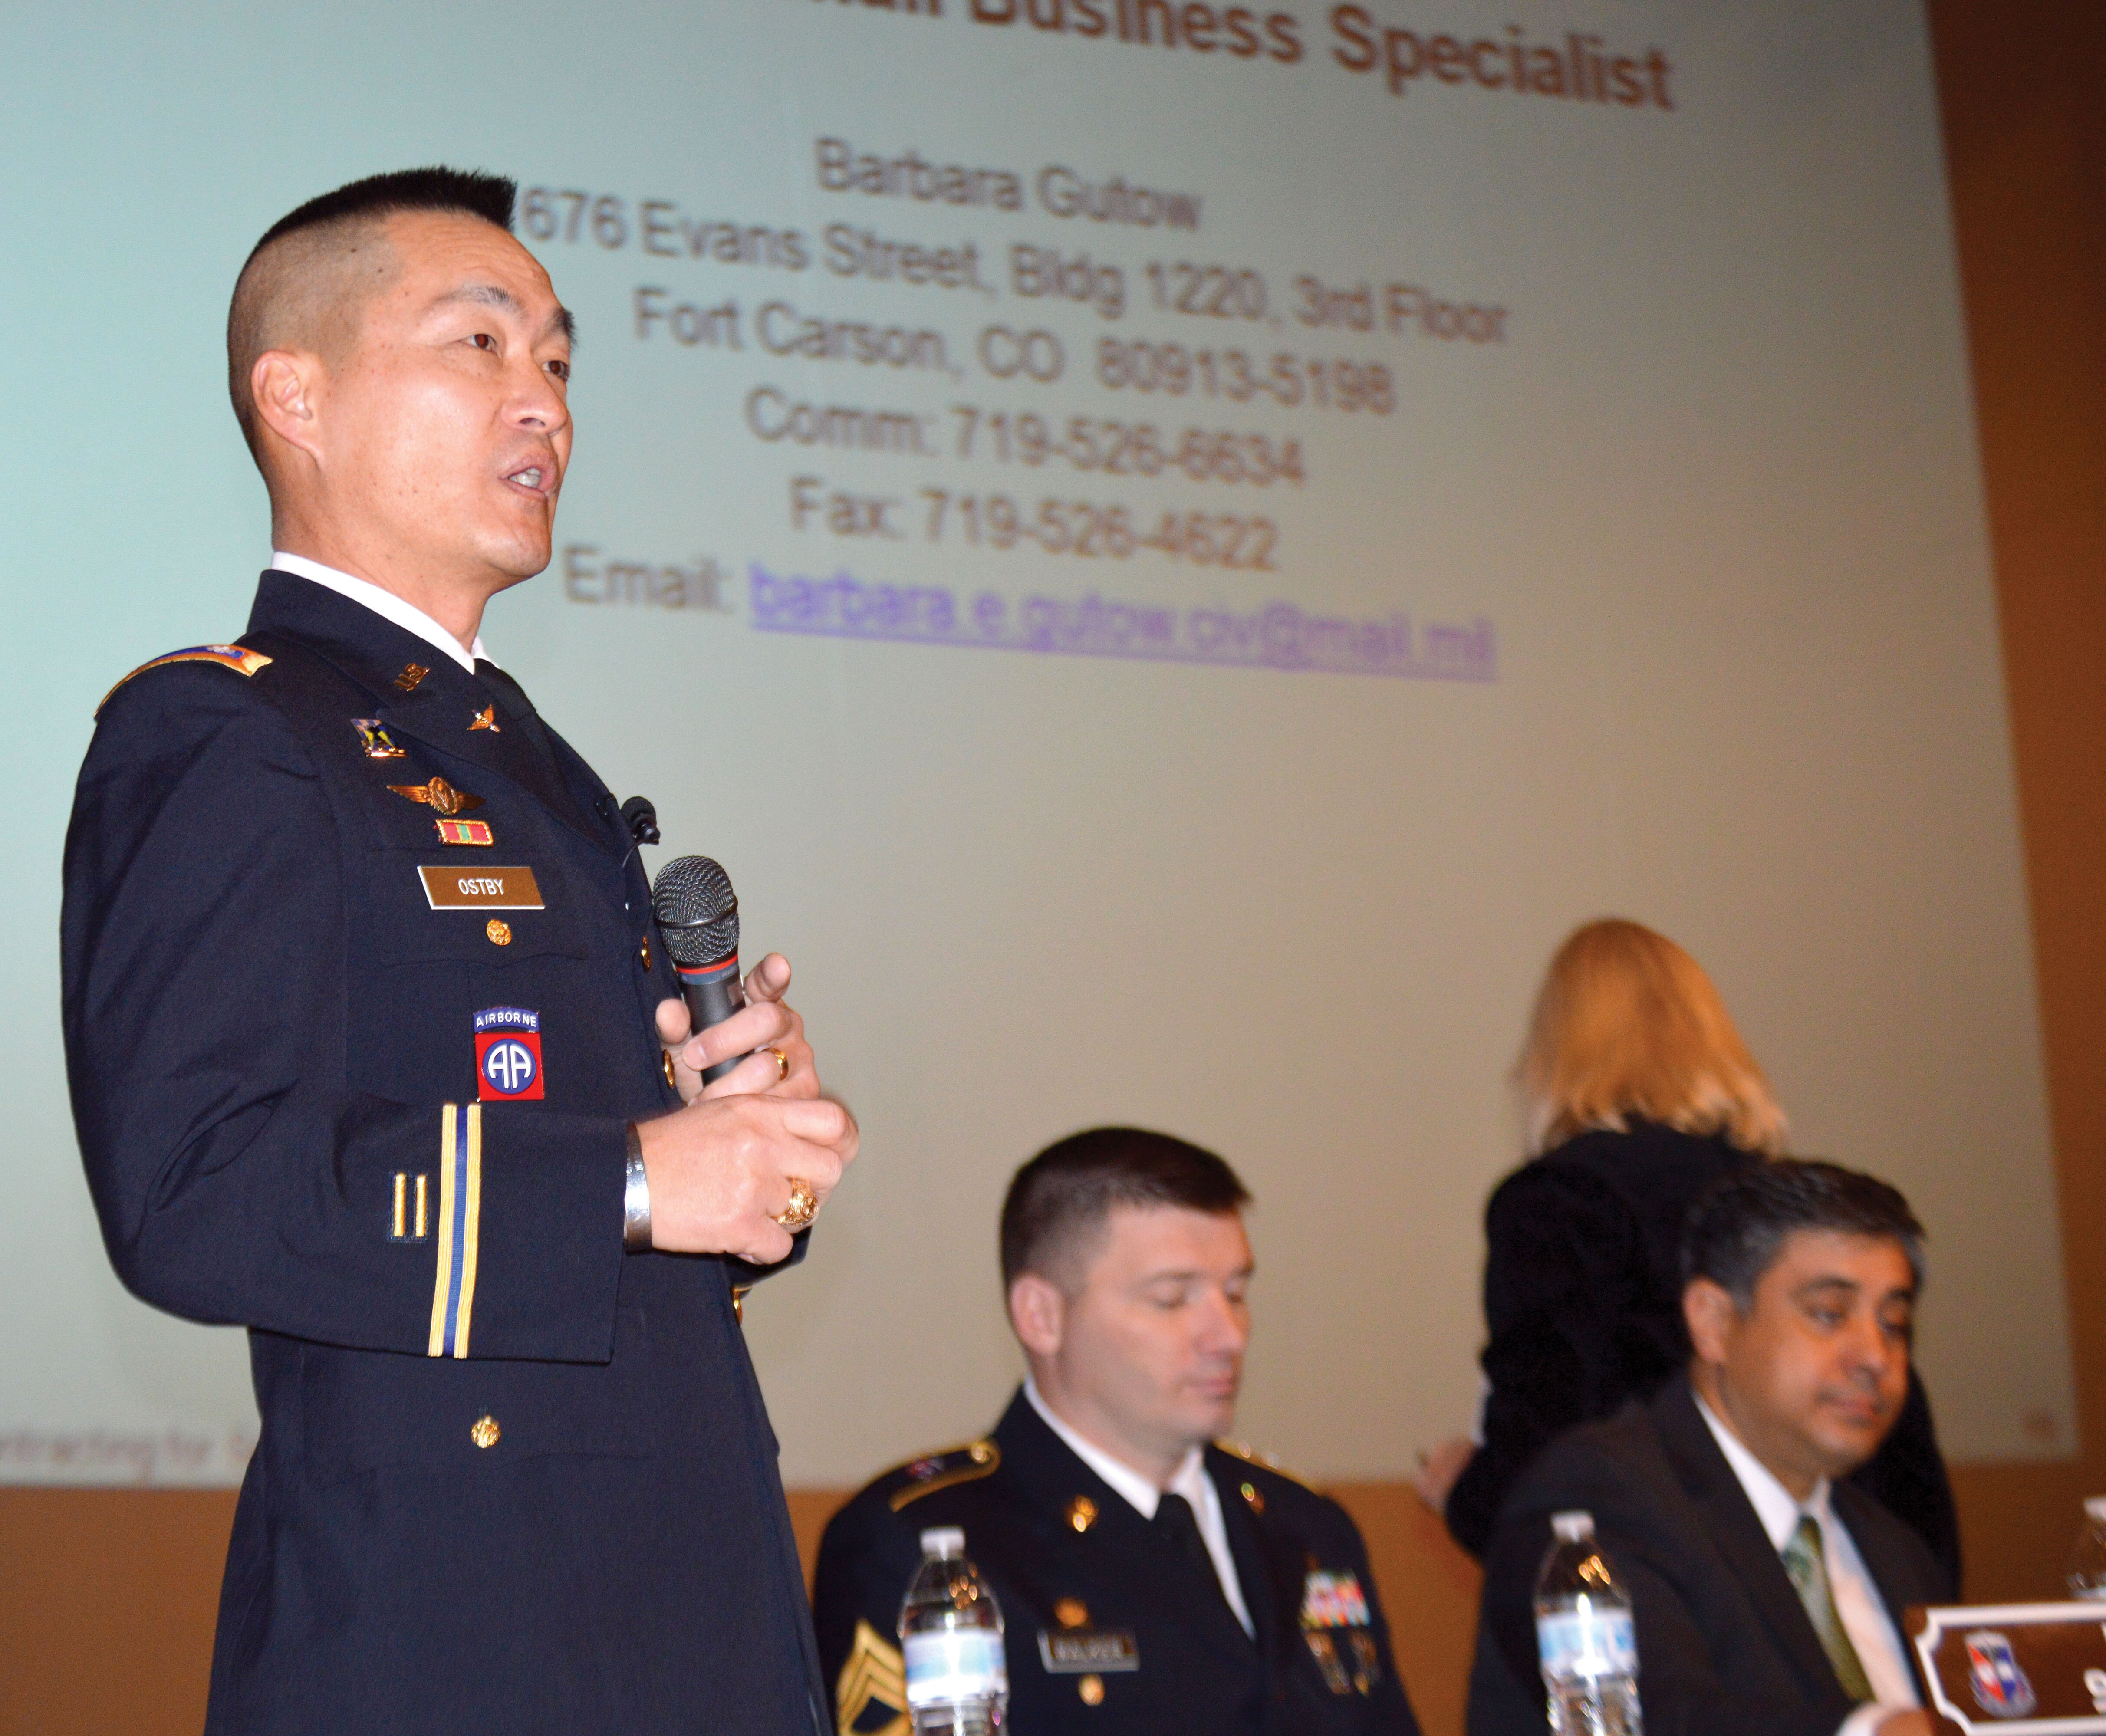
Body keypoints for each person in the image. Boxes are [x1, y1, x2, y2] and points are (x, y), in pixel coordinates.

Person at [62, 168, 859, 1735]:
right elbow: (193, 1188)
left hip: (681, 1598)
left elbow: (591, 1185)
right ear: (295, 396)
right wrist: (639, 1181)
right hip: (458, 1629)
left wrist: (735, 1159)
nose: (543, 403)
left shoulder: (531, 764)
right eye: (480, 346)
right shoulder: (228, 727)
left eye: (558, 361)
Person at [811, 1128, 1422, 1735]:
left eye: (1236, 1293)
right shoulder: (927, 1550)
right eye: (1172, 1299)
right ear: (1042, 1317)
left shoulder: (1304, 1526)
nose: (1229, 1336)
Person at [1417, 919, 1959, 1585]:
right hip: (1857, 1580)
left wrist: (1466, 1496)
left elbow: (1546, 1452)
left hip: (1674, 1601)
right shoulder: (1795, 1208)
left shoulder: (1559, 1204)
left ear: (1554, 1051)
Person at [1465, 1160, 1951, 1736]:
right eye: (1830, 1314)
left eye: (1894, 1323)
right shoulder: (1596, 1499)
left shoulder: (1894, 1547)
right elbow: (1653, 1720)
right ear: (1714, 1322)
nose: (1876, 1357)